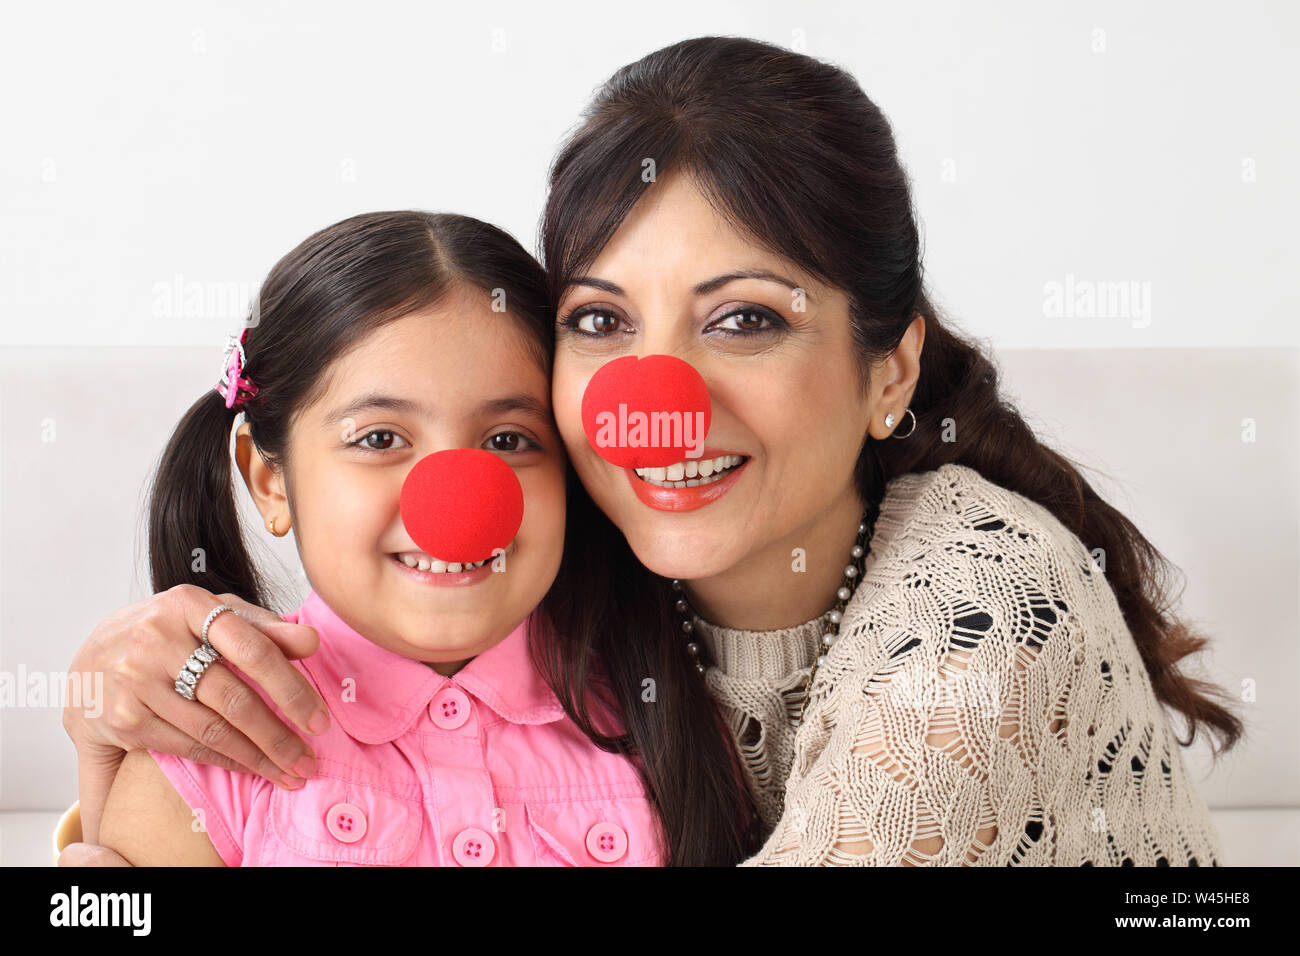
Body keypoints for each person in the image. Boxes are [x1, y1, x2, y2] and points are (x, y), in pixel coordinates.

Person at [63, 37, 1243, 867]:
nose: (656, 403)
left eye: (745, 319)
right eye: (601, 322)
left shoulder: (985, 600)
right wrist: (108, 730)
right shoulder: (591, 577)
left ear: (890, 367)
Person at [92, 210, 669, 865]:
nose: (457, 504)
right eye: (379, 439)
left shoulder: (663, 723)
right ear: (270, 481)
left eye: (508, 441)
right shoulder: (206, 749)